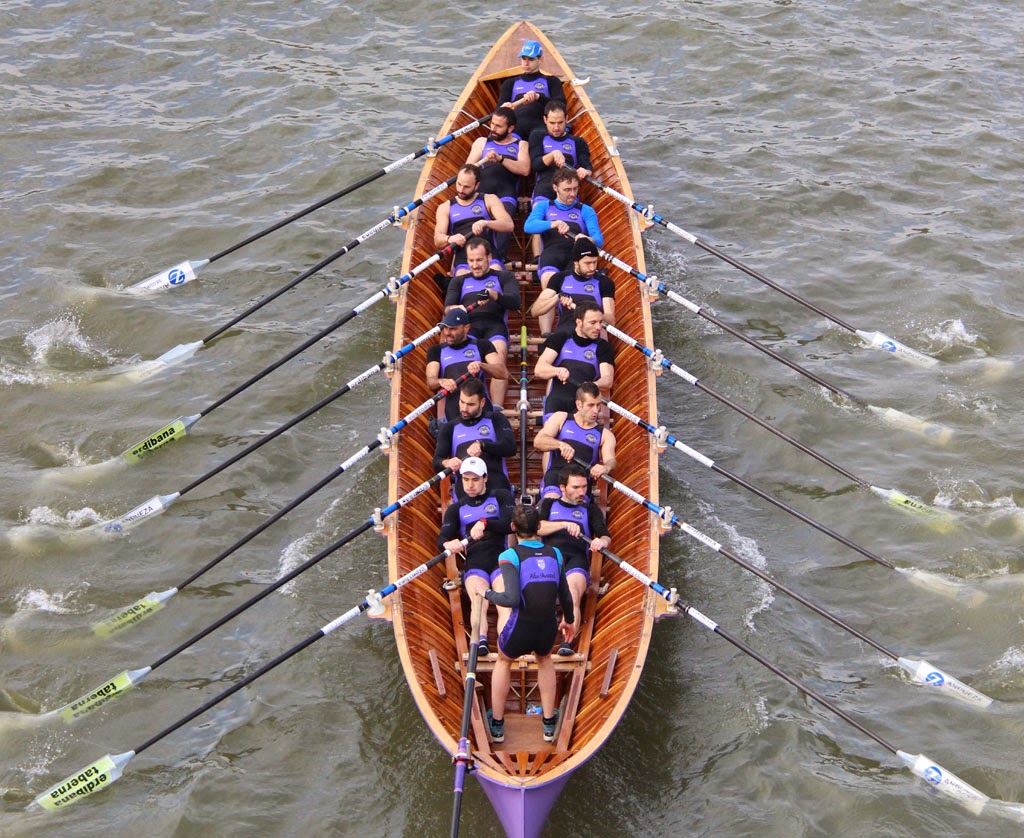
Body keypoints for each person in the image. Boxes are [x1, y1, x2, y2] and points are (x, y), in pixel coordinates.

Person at [484, 503, 575, 744]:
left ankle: (498, 726)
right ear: (539, 527)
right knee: (544, 660)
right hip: (546, 629)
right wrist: (570, 621)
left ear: (513, 528)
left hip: (519, 629)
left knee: (504, 661)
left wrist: (487, 594)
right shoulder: (554, 553)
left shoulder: (509, 556)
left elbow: (511, 598)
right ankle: (548, 725)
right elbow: (565, 594)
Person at [438, 456, 514, 656]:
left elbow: (509, 525)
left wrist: (485, 522)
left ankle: (505, 643)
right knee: (478, 600)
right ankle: (480, 641)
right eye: (466, 480)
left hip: (501, 559)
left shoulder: (501, 496)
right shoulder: (456, 509)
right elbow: (443, 538)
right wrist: (449, 543)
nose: (470, 485)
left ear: (485, 478)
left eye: (475, 479)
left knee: (504, 600)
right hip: (475, 562)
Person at [537, 463, 610, 656]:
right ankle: (542, 636)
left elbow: (605, 536)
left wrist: (600, 542)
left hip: (576, 560)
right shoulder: (549, 505)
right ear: (563, 488)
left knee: (572, 596)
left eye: (584, 487)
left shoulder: (590, 509)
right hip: (550, 558)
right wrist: (563, 524)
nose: (581, 492)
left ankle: (566, 642)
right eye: (576, 488)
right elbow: (537, 528)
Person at [443, 237, 521, 408]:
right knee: (467, 360)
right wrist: (458, 308)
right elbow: (447, 309)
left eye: (479, 260)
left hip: (495, 326)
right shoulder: (459, 281)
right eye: (471, 260)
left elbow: (515, 302)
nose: (475, 265)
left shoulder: (504, 277)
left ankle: (496, 407)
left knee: (499, 354)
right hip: (468, 328)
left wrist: (495, 295)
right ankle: (467, 405)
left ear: (489, 258)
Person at [523, 169, 602, 312]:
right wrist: (553, 224)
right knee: (548, 282)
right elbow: (528, 226)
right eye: (567, 190)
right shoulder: (544, 206)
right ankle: (547, 331)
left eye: (575, 189)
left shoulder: (585, 210)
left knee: (573, 289)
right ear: (555, 188)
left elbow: (598, 240)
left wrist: (587, 238)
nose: (572, 194)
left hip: (576, 258)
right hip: (551, 254)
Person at [433, 377, 517, 498]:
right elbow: (437, 462)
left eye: (471, 404)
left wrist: (483, 445)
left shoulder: (496, 419)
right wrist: (447, 462)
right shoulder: (449, 428)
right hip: (466, 494)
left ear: (482, 403)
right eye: (462, 402)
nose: (464, 409)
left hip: (496, 488)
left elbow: (510, 447)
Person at [466, 107, 530, 262]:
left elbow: (525, 170)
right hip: (482, 195)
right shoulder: (482, 142)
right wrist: (482, 161)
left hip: (505, 195)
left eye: (498, 126)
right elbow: (467, 170)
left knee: (503, 220)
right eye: (492, 124)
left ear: (510, 128)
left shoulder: (521, 145)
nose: (492, 129)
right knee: (474, 223)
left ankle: (497, 260)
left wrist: (501, 159)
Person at [534, 381, 616, 497]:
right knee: (554, 504)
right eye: (590, 405)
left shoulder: (605, 435)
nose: (596, 411)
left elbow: (611, 460)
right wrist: (560, 444)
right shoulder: (561, 418)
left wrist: (605, 467)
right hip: (556, 476)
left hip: (581, 483)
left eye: (598, 405)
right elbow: (538, 441)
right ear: (579, 405)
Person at [534, 301, 614, 417]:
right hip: (557, 403)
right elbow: (539, 369)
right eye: (593, 323)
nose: (598, 327)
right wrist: (557, 371)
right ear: (579, 322)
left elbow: (607, 380)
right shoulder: (560, 338)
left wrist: (593, 385)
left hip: (584, 406)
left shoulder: (603, 346)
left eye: (600, 322)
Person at [425, 307, 507, 422]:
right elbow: (431, 382)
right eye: (445, 328)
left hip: (481, 409)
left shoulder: (482, 345)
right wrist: (441, 381)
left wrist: (482, 365)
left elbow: (502, 373)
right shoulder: (436, 351)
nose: (447, 333)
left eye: (453, 329)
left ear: (466, 328)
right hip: (454, 414)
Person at [433, 164, 513, 276]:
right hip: (463, 258)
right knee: (463, 280)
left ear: (476, 185)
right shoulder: (445, 207)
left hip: (488, 254)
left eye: (466, 187)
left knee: (496, 275)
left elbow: (509, 225)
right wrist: (450, 238)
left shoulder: (489, 199)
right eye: (459, 184)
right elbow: (438, 240)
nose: (461, 190)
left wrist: (486, 223)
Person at [529, 235, 615, 336]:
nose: (592, 268)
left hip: (593, 339)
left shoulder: (605, 282)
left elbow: (610, 320)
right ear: (576, 263)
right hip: (564, 335)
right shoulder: (559, 279)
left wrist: (590, 314)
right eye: (587, 263)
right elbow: (535, 311)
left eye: (594, 262)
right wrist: (557, 297)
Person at [498, 40, 566, 150]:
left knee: (536, 140)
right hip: (516, 128)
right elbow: (498, 113)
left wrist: (538, 97)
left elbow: (561, 106)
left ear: (541, 60)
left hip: (540, 126)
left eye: (531, 59)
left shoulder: (551, 81)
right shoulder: (510, 83)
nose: (526, 63)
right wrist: (505, 109)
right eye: (523, 58)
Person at [528, 101, 592, 201]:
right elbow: (536, 165)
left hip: (569, 191)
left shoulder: (578, 142)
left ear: (566, 119)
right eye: (552, 123)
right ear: (545, 120)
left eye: (560, 123)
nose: (556, 128)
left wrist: (586, 171)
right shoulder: (537, 136)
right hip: (544, 189)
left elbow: (587, 166)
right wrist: (553, 154)